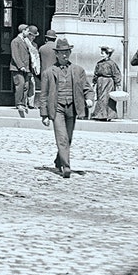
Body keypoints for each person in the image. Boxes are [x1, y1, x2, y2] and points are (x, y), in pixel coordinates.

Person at [39, 36, 92, 178]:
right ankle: (66, 167)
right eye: (61, 52)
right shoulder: (49, 73)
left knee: (68, 138)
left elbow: (87, 88)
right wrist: (44, 115)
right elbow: (43, 95)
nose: (64, 55)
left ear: (70, 53)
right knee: (62, 138)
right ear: (56, 54)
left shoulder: (78, 70)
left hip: (72, 108)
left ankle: (58, 159)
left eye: (67, 52)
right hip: (57, 109)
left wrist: (89, 99)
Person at [10, 23, 35, 116]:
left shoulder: (25, 41)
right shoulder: (15, 41)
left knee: (26, 86)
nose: (28, 33)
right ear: (23, 31)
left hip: (26, 68)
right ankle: (19, 103)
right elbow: (15, 55)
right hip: (17, 69)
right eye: (27, 31)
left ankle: (23, 103)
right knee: (20, 85)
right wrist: (21, 66)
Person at [92, 46, 122, 121]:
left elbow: (116, 73)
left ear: (108, 54)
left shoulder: (112, 64)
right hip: (100, 82)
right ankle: (100, 115)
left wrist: (118, 83)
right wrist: (94, 82)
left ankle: (108, 115)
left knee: (108, 98)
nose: (102, 55)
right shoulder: (99, 63)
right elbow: (96, 73)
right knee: (100, 97)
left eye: (103, 53)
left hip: (109, 82)